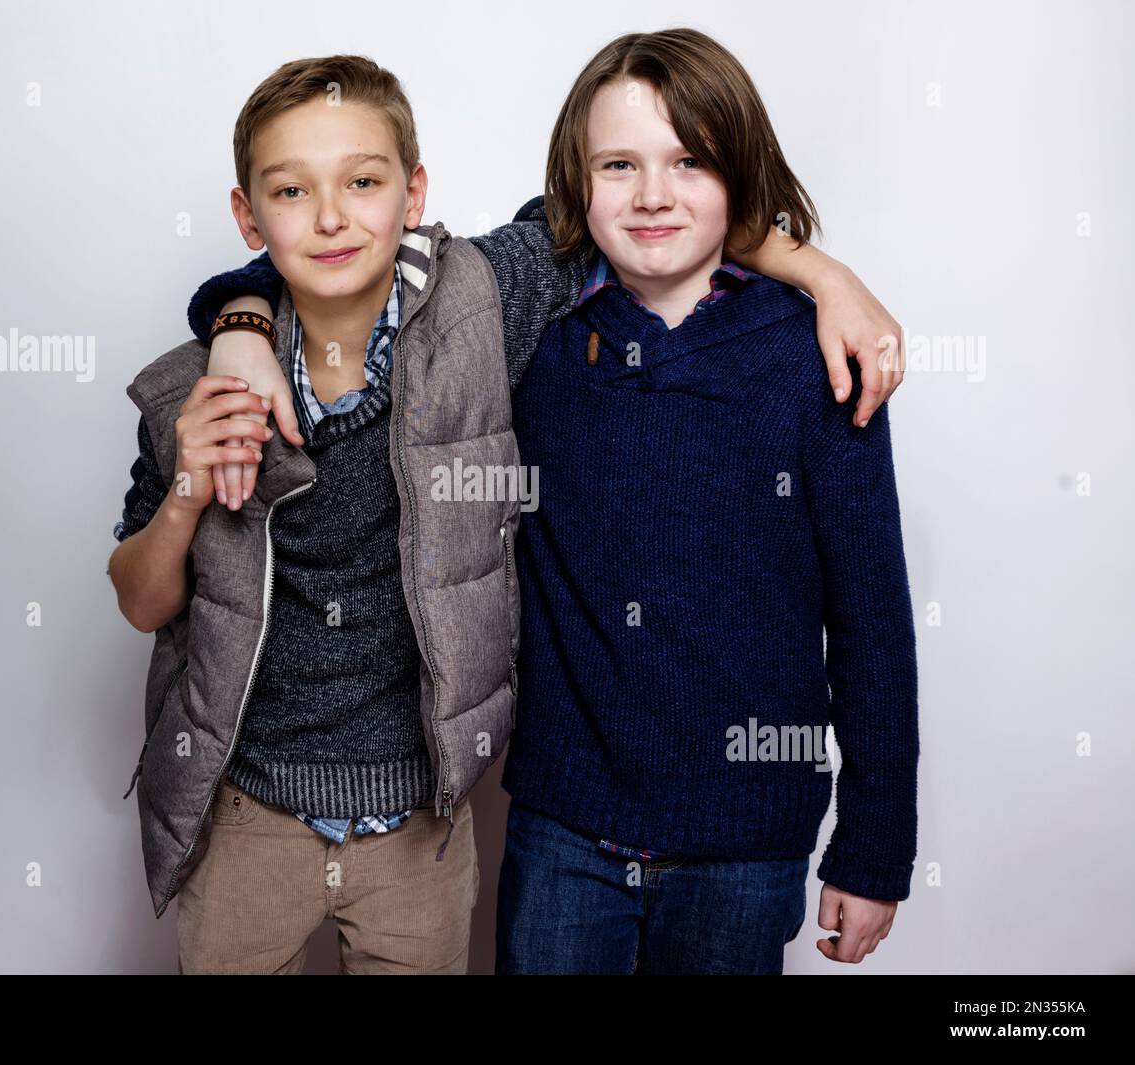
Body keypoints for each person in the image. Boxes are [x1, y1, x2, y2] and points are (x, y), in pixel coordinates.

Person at [179, 28, 917, 975]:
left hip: (746, 837)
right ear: (577, 181)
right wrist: (239, 318)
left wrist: (873, 847)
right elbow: (343, 265)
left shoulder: (814, 358)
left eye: (690, 161)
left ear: (740, 176)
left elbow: (874, 624)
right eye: (619, 164)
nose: (652, 194)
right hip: (564, 828)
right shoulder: (527, 331)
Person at [109, 54, 522, 973]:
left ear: (412, 194)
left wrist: (818, 272)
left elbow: (604, 217)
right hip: (248, 816)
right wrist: (188, 477)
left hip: (420, 826)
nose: (332, 217)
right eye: (292, 191)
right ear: (248, 218)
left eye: (363, 182)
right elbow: (140, 602)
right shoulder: (194, 384)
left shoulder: (485, 307)